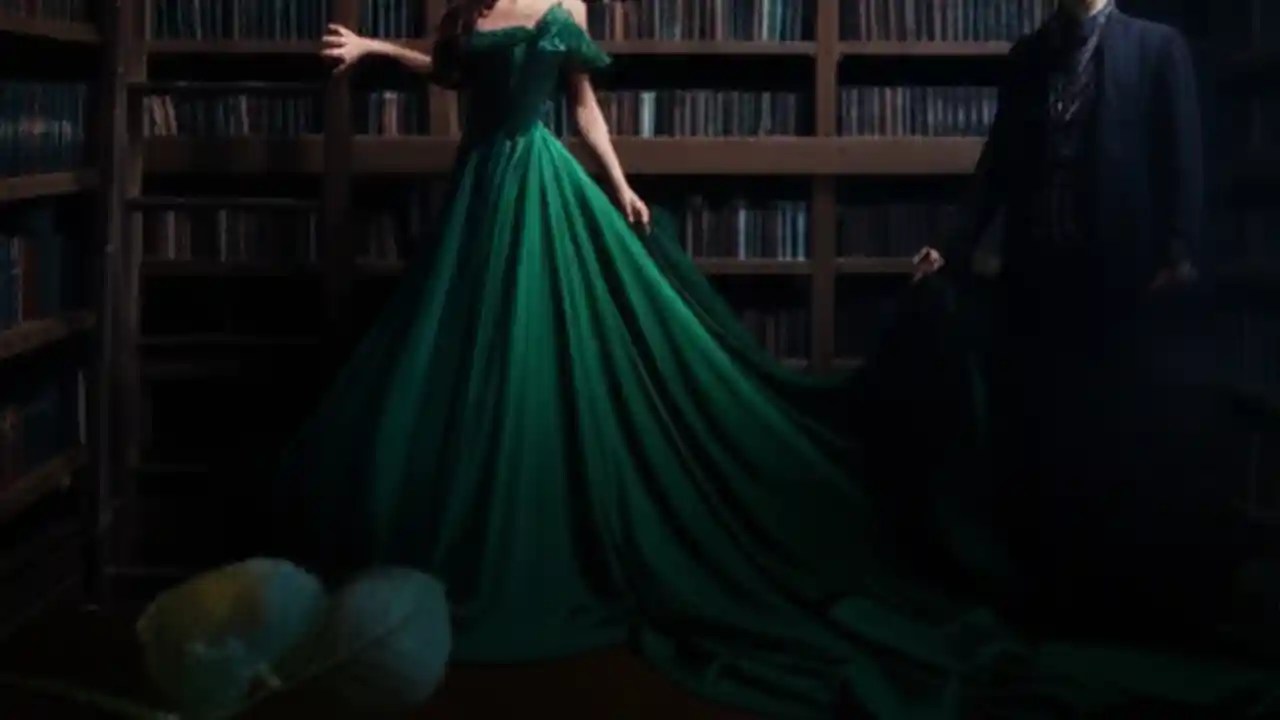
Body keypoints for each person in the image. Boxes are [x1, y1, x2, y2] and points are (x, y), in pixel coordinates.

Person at [271, 1, 1279, 716]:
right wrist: (373, 48)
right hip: (478, 193)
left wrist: (617, 186)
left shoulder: (559, 5)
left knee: (543, 359)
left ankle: (1104, 583)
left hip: (539, 184)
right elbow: (449, 70)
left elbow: (579, 107)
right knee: (456, 363)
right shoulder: (463, 15)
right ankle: (456, 523)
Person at [911, 0, 1232, 635]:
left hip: (1120, 281)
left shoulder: (1157, 48)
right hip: (1036, 281)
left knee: (1114, 439)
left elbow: (1182, 154)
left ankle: (1115, 603)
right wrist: (953, 244)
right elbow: (996, 166)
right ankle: (1045, 599)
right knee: (1038, 438)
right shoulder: (1028, 59)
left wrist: (1181, 248)